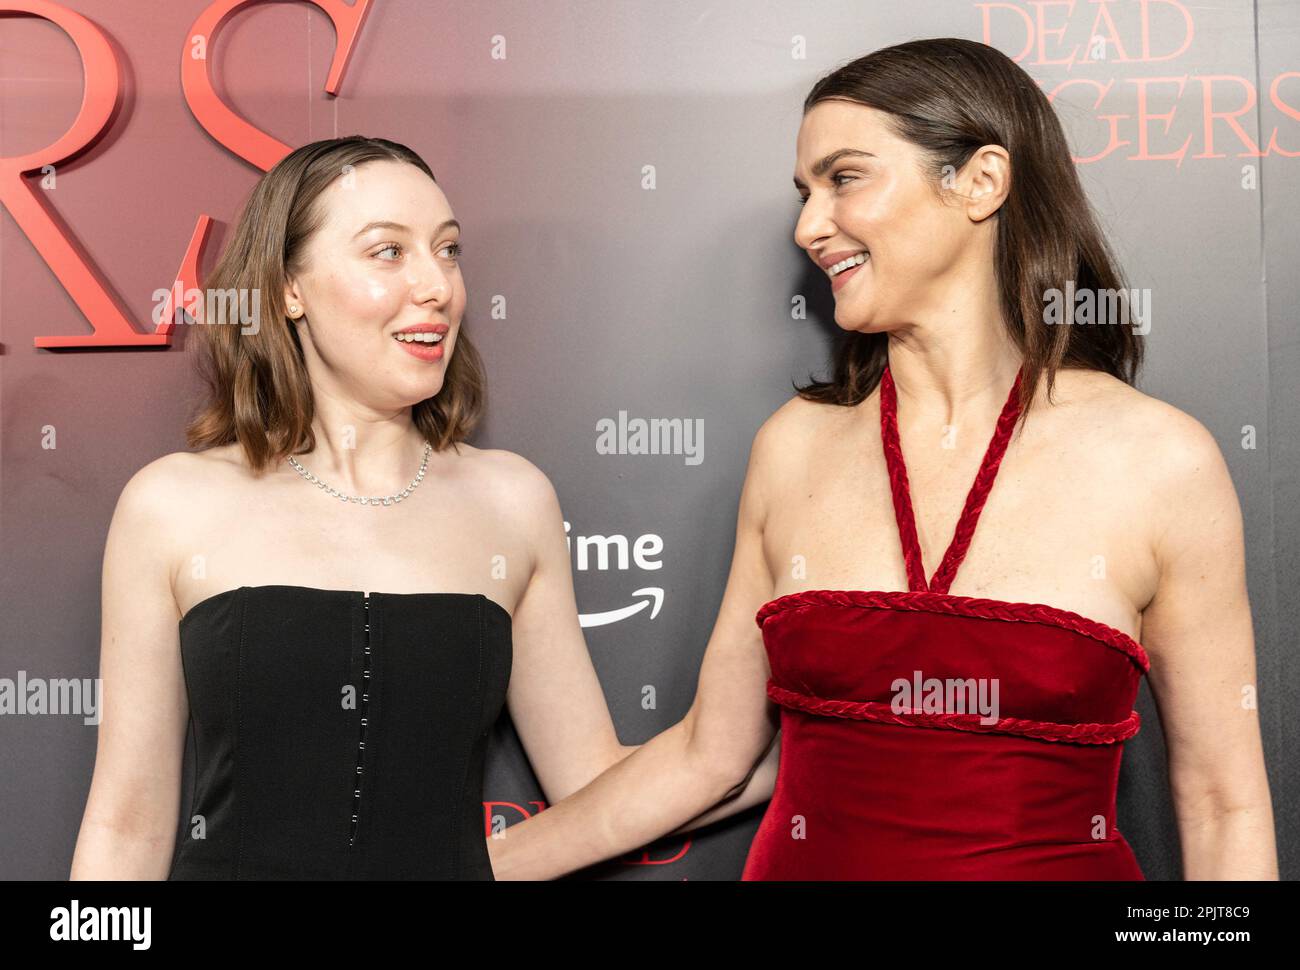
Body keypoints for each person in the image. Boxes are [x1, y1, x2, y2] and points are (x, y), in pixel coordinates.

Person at [486, 39, 1279, 880]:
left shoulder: (1161, 462)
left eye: (844, 177)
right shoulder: (793, 447)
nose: (807, 225)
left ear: (981, 181)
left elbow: (1224, 806)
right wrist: (477, 865)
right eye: (804, 191)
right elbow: (707, 756)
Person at [67, 136, 772, 879]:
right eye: (388, 253)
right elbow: (124, 827)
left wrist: (819, 749)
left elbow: (595, 790)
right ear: (288, 289)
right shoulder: (171, 505)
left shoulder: (512, 499)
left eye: (449, 251)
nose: (437, 286)